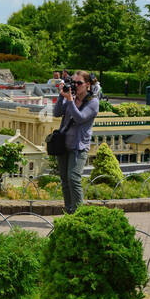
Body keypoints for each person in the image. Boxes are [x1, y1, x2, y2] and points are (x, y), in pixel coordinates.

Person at [53, 70, 100, 213]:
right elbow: (56, 113)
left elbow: (79, 118)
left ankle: (80, 213)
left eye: (79, 83)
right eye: (73, 82)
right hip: (63, 144)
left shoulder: (93, 102)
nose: (75, 85)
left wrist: (70, 100)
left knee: (73, 178)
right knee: (65, 181)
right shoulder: (70, 97)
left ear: (87, 85)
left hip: (79, 146)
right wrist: (62, 96)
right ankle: (69, 211)